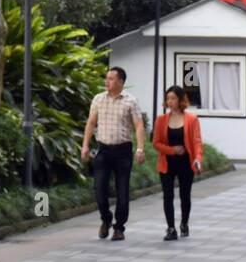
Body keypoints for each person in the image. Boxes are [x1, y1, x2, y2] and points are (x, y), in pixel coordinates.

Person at [81, 66, 147, 241]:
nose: (107, 81)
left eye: (111, 79)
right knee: (99, 189)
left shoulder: (131, 101)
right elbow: (91, 123)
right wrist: (85, 146)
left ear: (121, 82)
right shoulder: (98, 99)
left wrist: (140, 148)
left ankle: (119, 227)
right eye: (106, 78)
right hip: (103, 150)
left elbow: (139, 125)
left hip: (123, 151)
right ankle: (106, 219)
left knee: (122, 191)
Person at [151, 86, 203, 241]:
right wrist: (172, 150)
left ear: (180, 100)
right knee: (168, 195)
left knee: (184, 195)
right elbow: (156, 143)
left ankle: (184, 223)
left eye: (173, 98)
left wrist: (198, 158)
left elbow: (197, 141)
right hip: (167, 162)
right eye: (168, 99)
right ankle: (171, 228)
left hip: (186, 163)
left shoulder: (192, 119)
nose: (170, 101)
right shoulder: (161, 120)